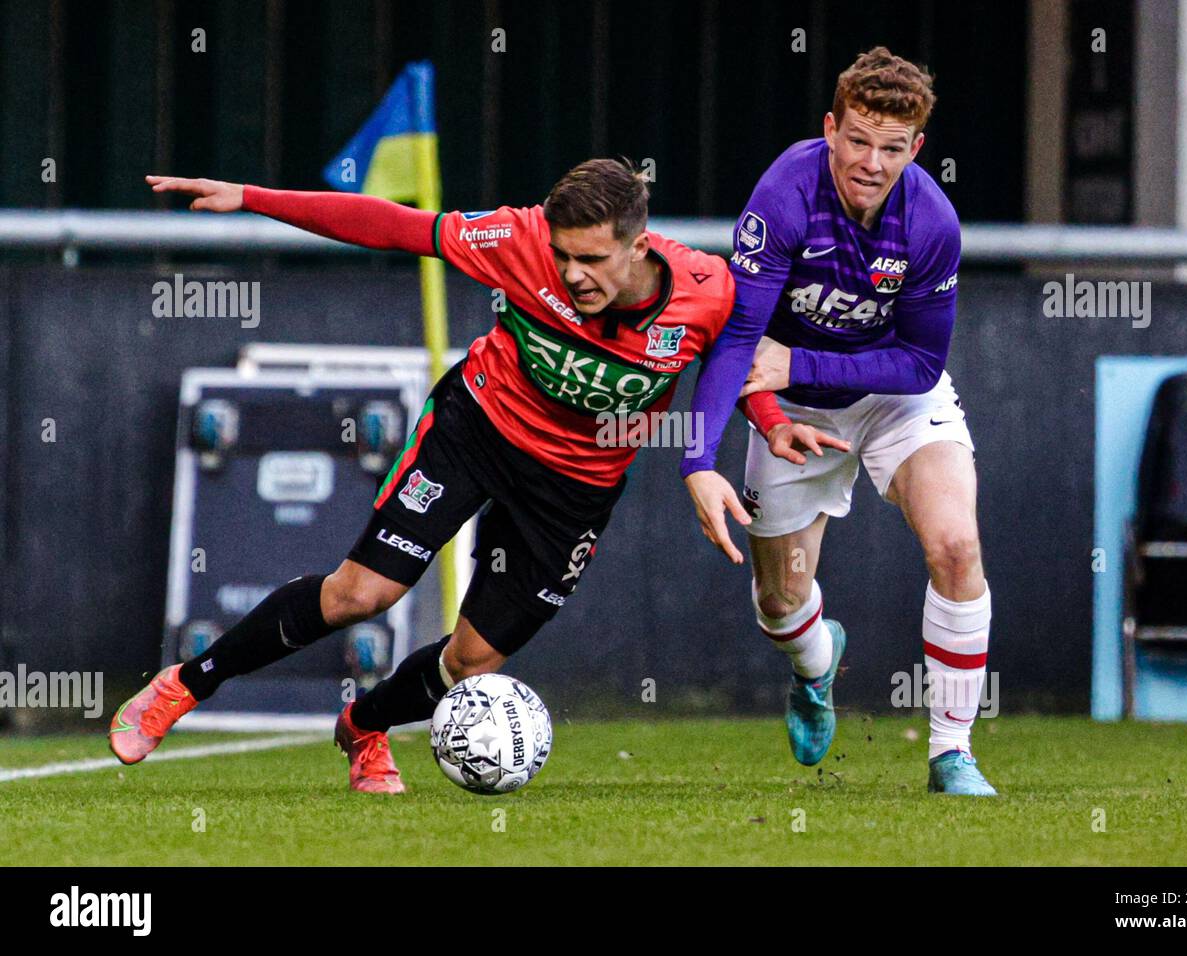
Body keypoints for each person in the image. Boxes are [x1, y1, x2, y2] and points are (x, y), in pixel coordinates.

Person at [109, 159, 736, 793]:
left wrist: (744, 437)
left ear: (640, 245)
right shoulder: (517, 239)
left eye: (594, 259)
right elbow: (391, 226)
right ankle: (185, 684)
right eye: (563, 254)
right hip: (478, 430)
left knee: (472, 664)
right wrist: (252, 195)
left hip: (573, 488)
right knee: (359, 596)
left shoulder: (708, 293)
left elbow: (745, 362)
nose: (574, 274)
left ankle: (363, 724)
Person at [681, 48, 997, 796]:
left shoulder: (932, 223)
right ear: (831, 128)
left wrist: (803, 365)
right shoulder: (784, 196)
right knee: (779, 602)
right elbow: (737, 339)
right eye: (858, 139)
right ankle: (818, 666)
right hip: (791, 412)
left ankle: (952, 754)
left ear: (917, 149)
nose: (871, 162)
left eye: (893, 147)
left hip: (894, 399)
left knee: (956, 545)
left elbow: (920, 366)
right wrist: (698, 460)